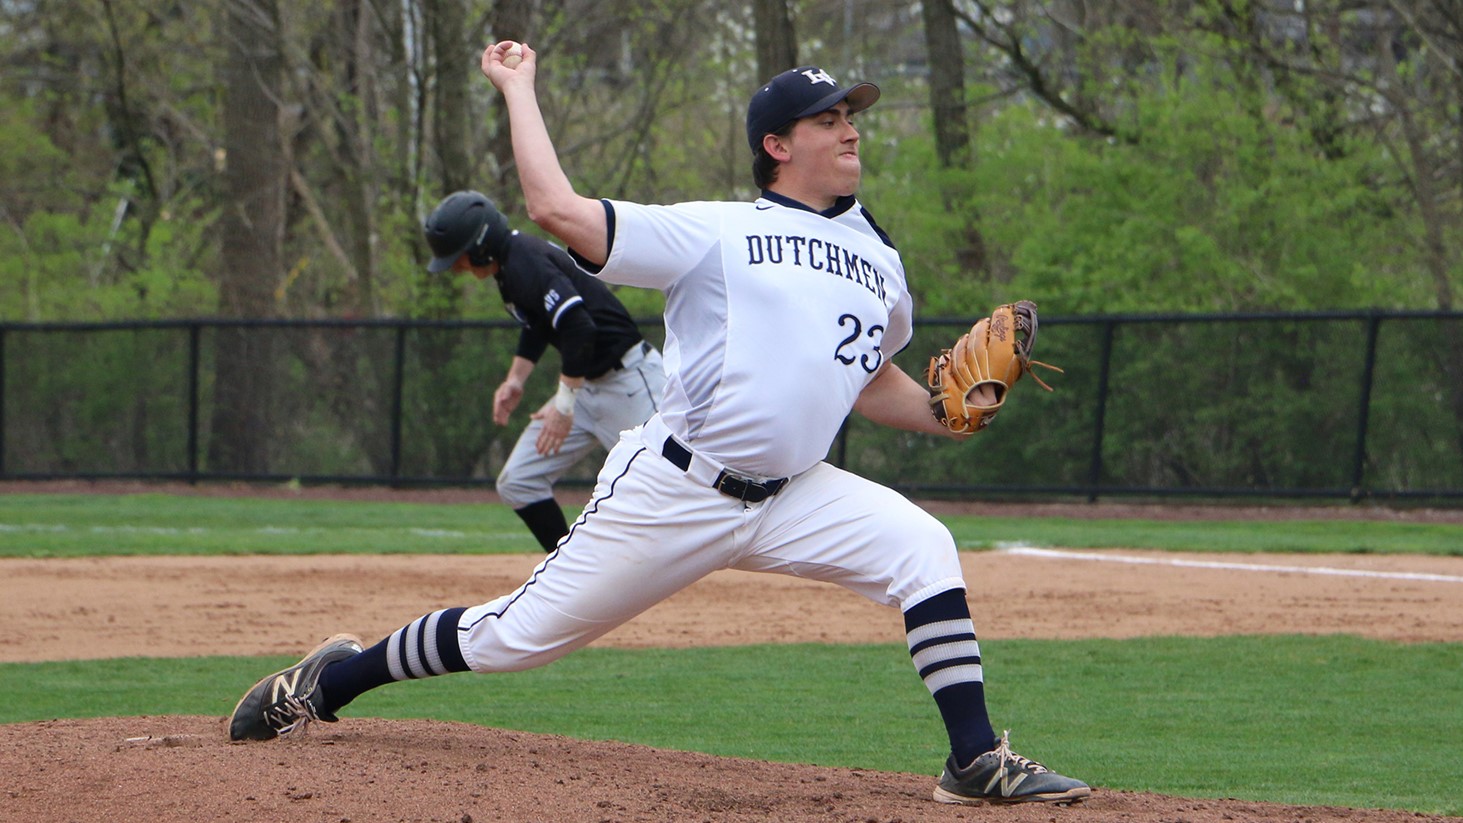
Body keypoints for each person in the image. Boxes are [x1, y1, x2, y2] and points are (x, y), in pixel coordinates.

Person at [228, 45, 1091, 808]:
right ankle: (327, 679)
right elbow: (558, 210)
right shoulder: (717, 232)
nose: (849, 130)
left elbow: (872, 383)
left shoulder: (880, 259)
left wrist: (949, 412)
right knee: (513, 640)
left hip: (793, 491)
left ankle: (973, 760)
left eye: (850, 116)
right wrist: (517, 88)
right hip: (677, 485)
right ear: (777, 146)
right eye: (825, 119)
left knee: (923, 547)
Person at [422, 191, 666, 551]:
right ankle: (571, 573)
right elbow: (538, 324)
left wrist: (563, 406)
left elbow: (580, 327)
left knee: (672, 487)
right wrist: (515, 380)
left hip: (629, 382)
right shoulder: (510, 268)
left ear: (480, 246)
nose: (458, 267)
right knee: (518, 481)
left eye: (458, 258)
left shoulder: (526, 262)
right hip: (585, 387)